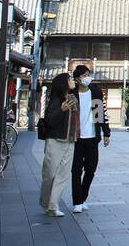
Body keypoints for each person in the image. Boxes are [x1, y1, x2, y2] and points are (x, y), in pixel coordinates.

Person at [70, 65, 110, 213]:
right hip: (76, 138)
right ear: (77, 78)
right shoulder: (72, 93)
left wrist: (106, 133)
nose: (88, 77)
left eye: (88, 74)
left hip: (92, 137)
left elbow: (101, 114)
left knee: (91, 169)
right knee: (76, 170)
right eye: (84, 75)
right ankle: (77, 201)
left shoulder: (95, 92)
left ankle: (83, 197)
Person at [38, 72, 79, 217]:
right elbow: (49, 120)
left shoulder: (73, 98)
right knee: (49, 174)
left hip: (70, 140)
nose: (72, 81)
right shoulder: (56, 99)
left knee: (63, 175)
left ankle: (53, 206)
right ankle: (46, 201)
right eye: (70, 79)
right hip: (55, 140)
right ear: (64, 83)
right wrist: (61, 110)